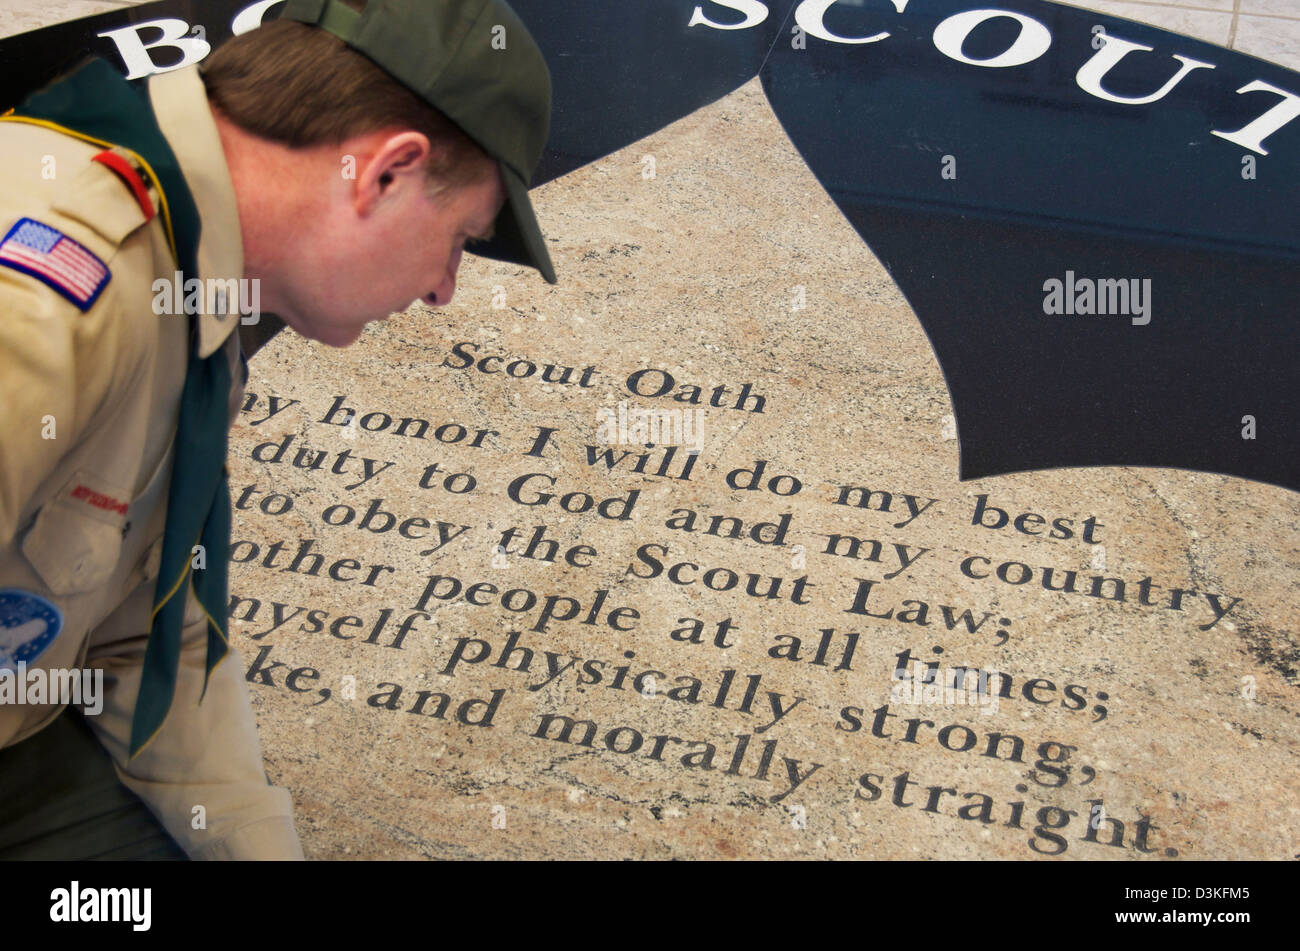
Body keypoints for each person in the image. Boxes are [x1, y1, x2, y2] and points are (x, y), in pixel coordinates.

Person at [0, 0, 556, 860]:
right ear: (385, 173)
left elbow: (145, 625)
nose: (444, 287)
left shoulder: (193, 277)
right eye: (461, 239)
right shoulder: (54, 289)